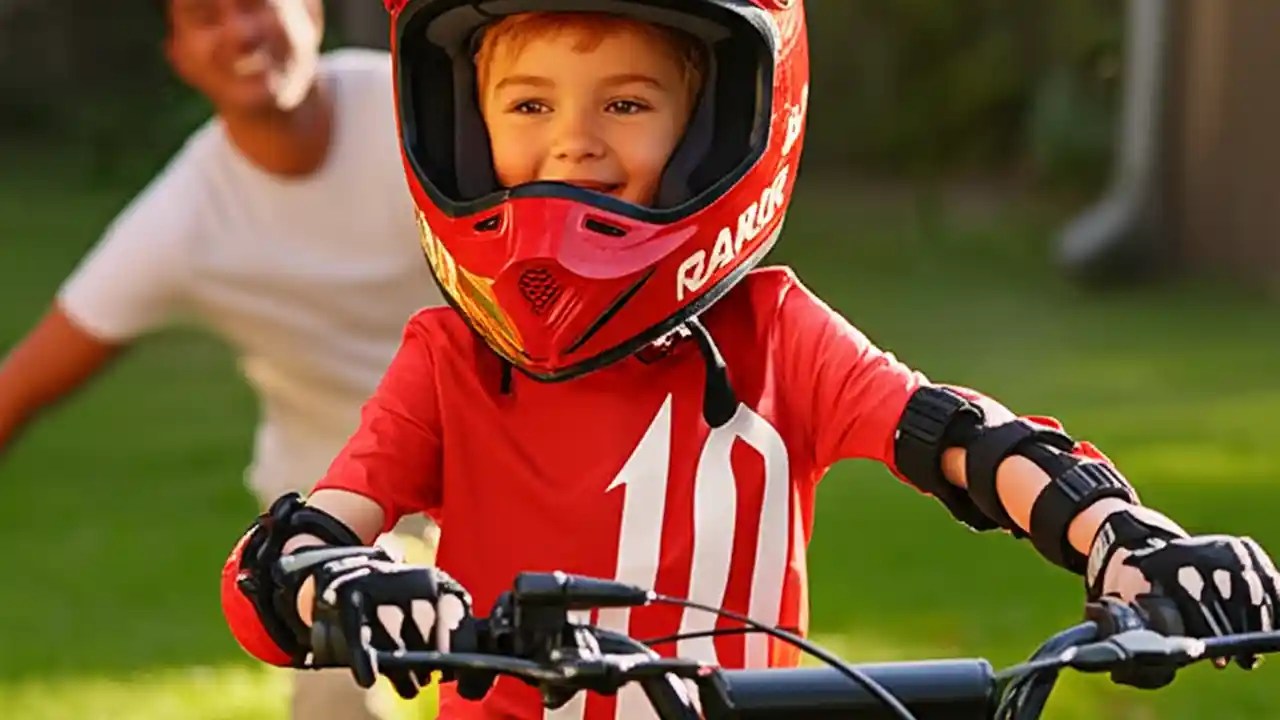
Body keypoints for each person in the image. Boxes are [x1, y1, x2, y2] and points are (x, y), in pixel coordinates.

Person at [217, 1, 1280, 718]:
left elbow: (955, 437)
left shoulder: (771, 332)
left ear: (718, 123)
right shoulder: (451, 357)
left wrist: (1121, 537)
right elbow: (298, 549)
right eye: (528, 104)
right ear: (462, 119)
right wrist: (342, 585)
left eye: (624, 104)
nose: (574, 142)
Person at [0, 0, 443, 718]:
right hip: (334, 492)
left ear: (311, 14)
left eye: (256, 5)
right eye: (207, 16)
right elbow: (18, 387)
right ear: (179, 55)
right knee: (335, 686)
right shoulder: (181, 221)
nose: (240, 31)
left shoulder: (418, 115)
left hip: (497, 434)